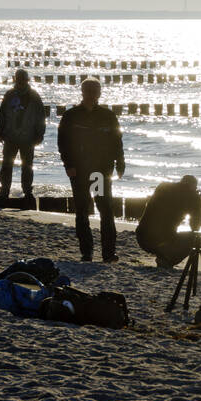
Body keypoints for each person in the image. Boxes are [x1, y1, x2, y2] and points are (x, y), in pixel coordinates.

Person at [58, 77, 124, 262]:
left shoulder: (107, 116)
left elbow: (116, 141)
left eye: (95, 92)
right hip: (79, 170)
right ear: (82, 92)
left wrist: (120, 163)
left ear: (99, 94)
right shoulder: (71, 116)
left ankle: (108, 253)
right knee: (82, 210)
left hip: (99, 172)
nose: (92, 95)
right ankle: (86, 252)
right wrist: (68, 165)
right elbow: (63, 142)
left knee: (105, 209)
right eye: (89, 91)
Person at [0, 68, 45, 204]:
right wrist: (0, 130)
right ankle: (4, 190)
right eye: (18, 79)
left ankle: (28, 192)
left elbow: (41, 116)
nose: (20, 82)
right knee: (7, 165)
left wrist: (40, 134)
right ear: (14, 79)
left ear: (27, 80)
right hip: (10, 136)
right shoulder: (9, 95)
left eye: (23, 79)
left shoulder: (34, 96)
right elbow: (2, 114)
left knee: (27, 166)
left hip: (28, 137)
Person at [136, 174, 201, 268]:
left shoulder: (163, 187)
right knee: (199, 239)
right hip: (164, 238)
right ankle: (166, 260)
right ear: (193, 186)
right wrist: (198, 202)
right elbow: (195, 226)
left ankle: (164, 254)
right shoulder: (192, 197)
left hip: (142, 237)